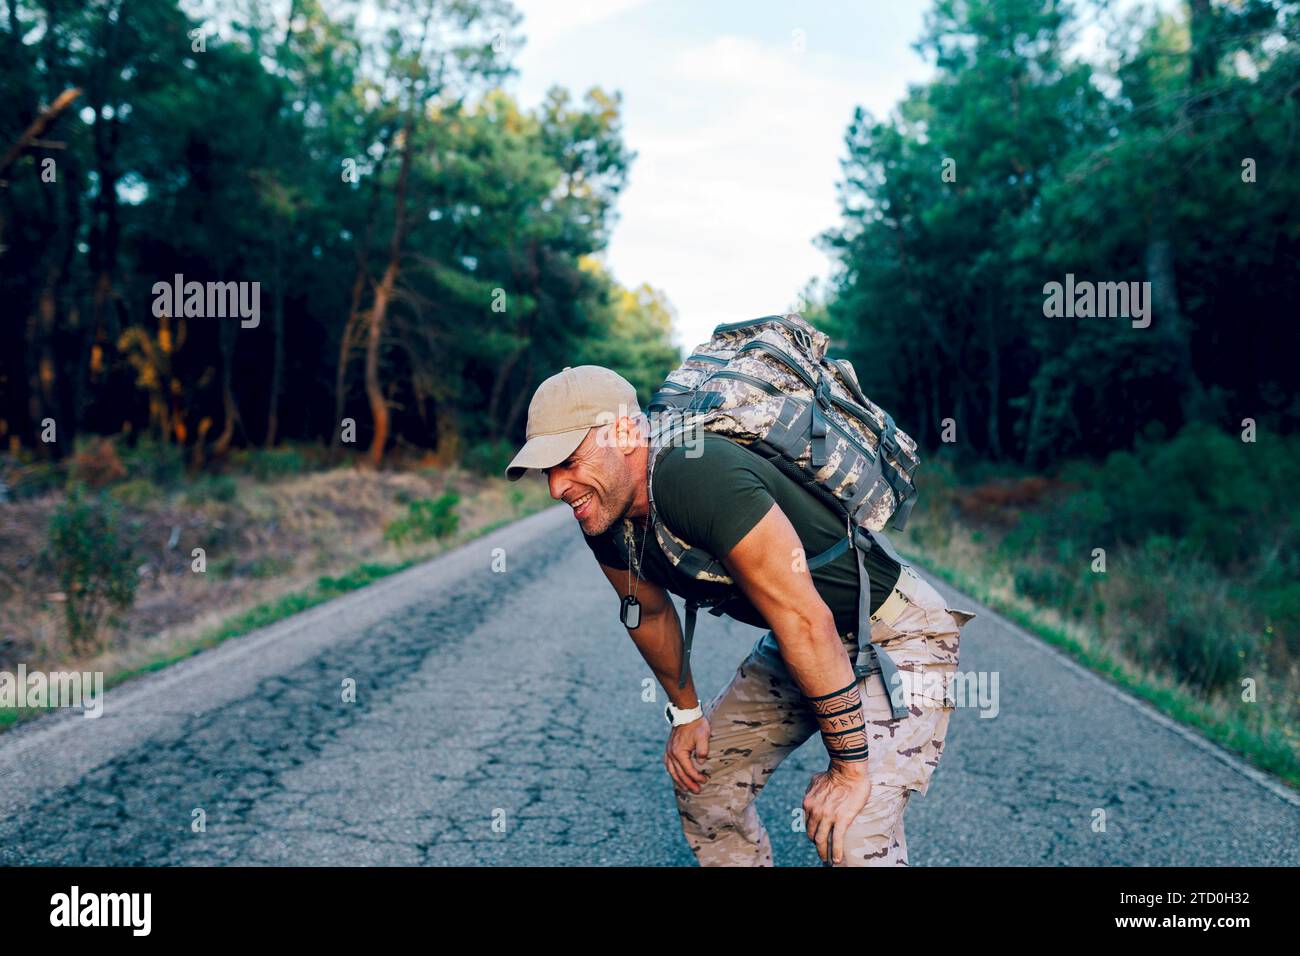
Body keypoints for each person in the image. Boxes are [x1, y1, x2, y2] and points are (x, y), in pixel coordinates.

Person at [506, 364, 972, 866]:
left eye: (569, 462)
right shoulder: (603, 511)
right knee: (706, 790)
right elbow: (649, 612)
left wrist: (848, 769)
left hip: (894, 634)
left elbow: (804, 620)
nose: (557, 488)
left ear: (624, 431)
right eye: (547, 471)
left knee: (852, 833)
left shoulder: (693, 472)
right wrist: (686, 714)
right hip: (801, 640)